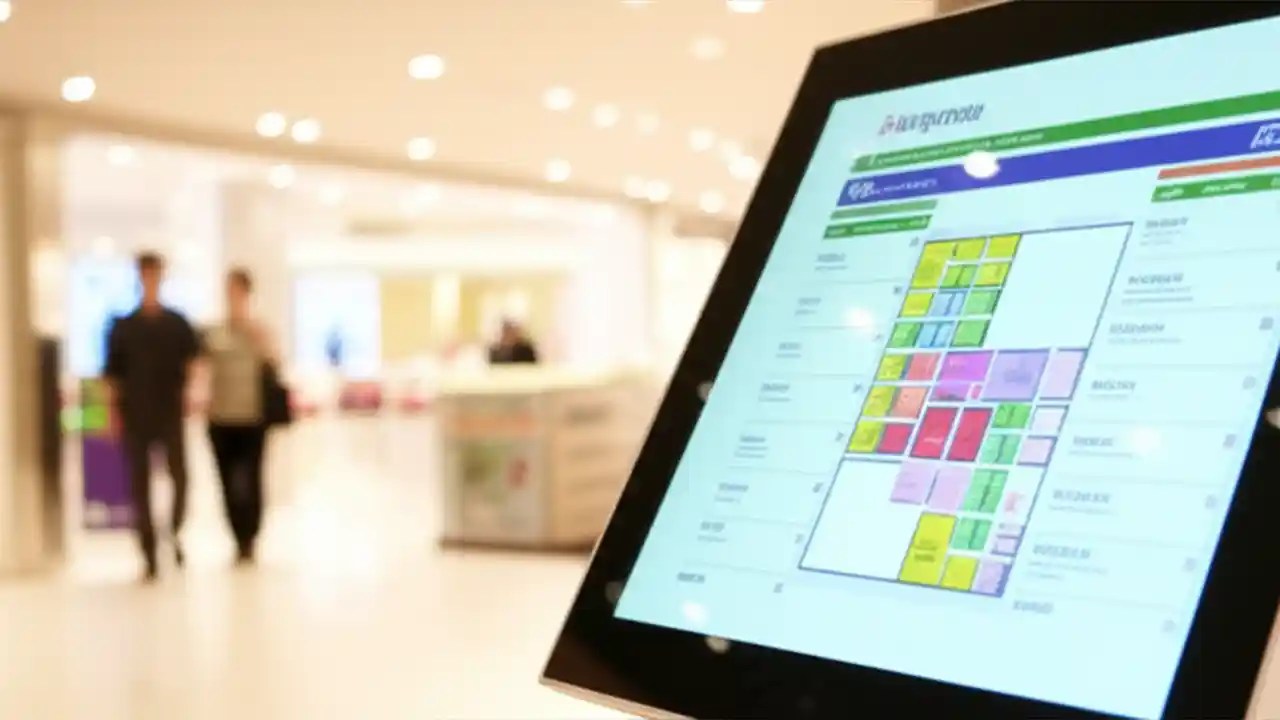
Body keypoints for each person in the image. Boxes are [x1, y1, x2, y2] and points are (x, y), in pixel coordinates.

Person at [105, 252, 199, 582]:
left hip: (169, 413)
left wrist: (193, 395)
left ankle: (173, 532)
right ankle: (148, 551)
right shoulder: (123, 327)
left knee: (181, 477)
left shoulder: (178, 324)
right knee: (140, 485)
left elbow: (193, 364)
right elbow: (113, 377)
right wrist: (114, 415)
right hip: (136, 415)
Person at [203, 268, 277, 565]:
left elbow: (274, 362)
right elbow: (201, 370)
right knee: (228, 482)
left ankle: (250, 537)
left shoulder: (259, 331)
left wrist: (256, 336)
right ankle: (236, 535)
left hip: (252, 418)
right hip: (221, 418)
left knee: (250, 479)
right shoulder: (214, 333)